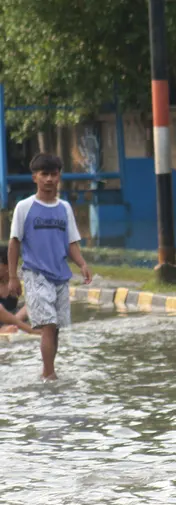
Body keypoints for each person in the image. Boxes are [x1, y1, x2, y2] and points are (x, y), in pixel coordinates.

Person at [8, 153, 93, 379]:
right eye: (44, 174)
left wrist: (82, 264)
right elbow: (14, 242)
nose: (49, 179)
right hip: (35, 274)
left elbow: (71, 242)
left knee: (55, 328)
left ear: (59, 177)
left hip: (60, 276)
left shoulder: (64, 208)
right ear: (35, 177)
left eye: (53, 174)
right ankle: (49, 374)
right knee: (48, 324)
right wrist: (13, 277)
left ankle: (48, 371)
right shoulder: (24, 207)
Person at [0, 250, 35, 335]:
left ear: (7, 266)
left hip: (14, 318)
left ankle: (9, 326)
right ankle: (30, 330)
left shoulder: (17, 282)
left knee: (32, 303)